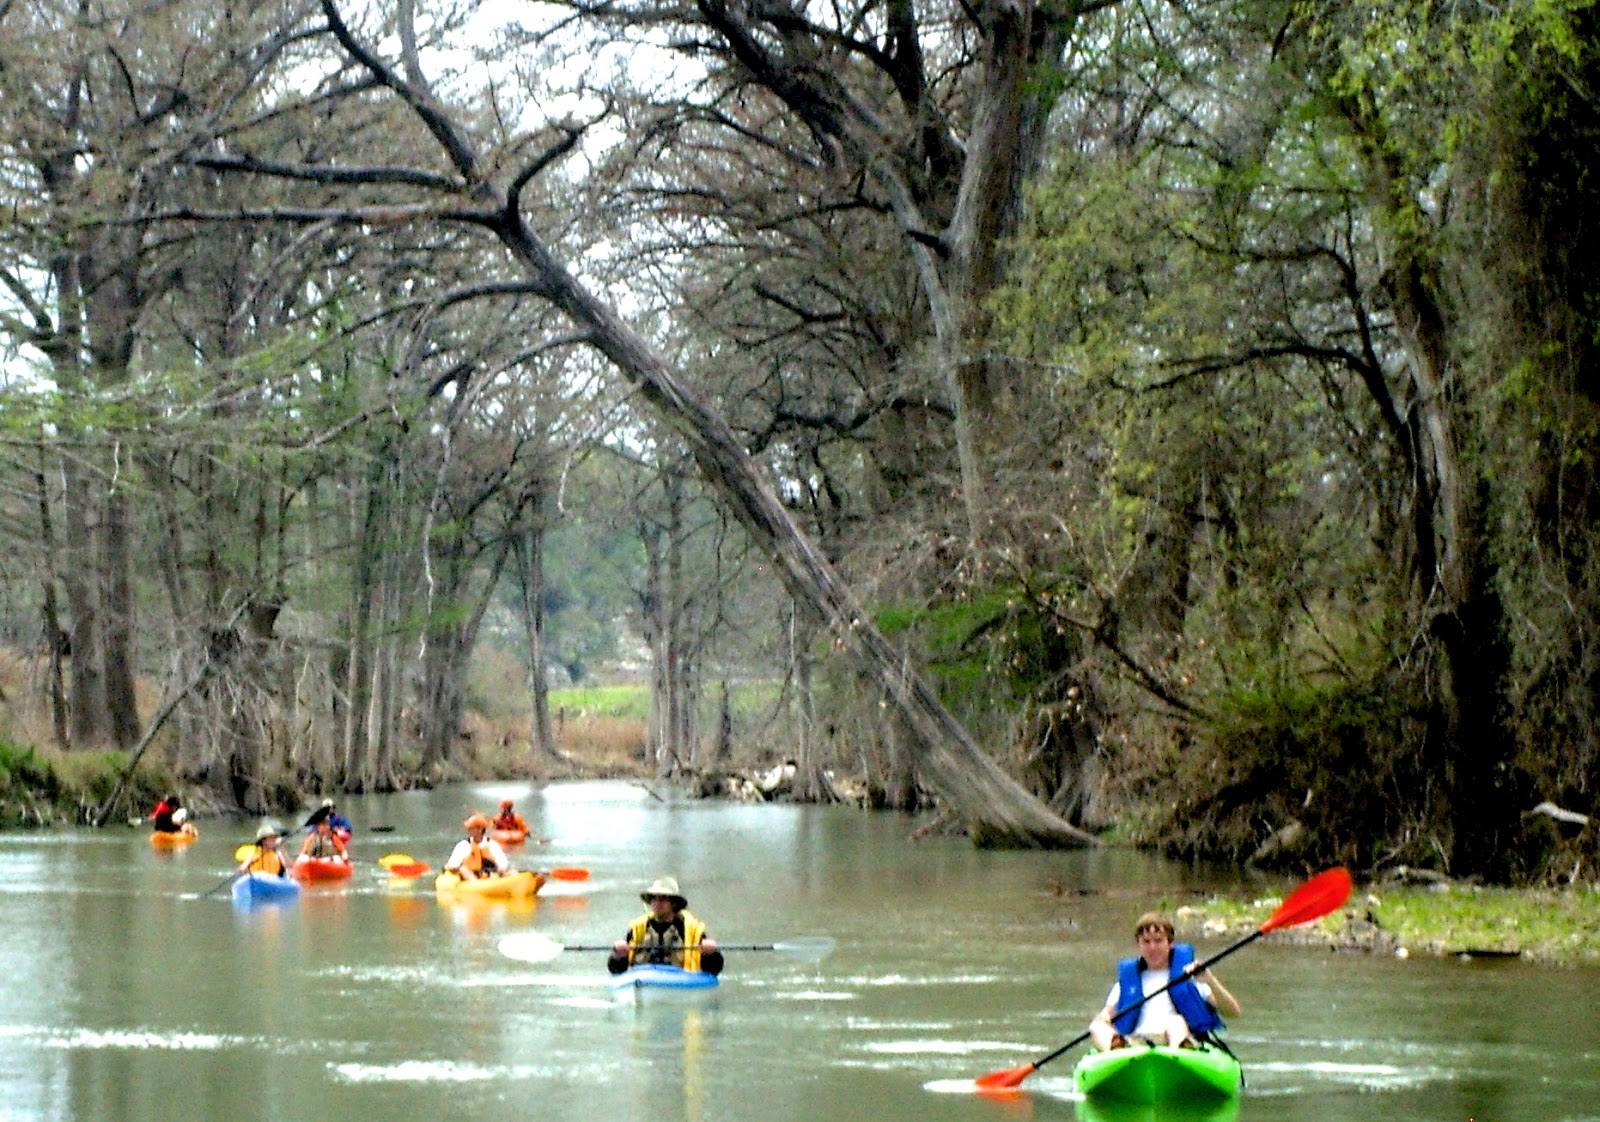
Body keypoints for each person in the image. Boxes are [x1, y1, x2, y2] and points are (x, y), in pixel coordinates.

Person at [1088, 912, 1240, 1050]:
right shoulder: (1126, 983)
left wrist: (1209, 979)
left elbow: (1233, 1012)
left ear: (1170, 943)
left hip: (1173, 1041)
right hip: (1134, 1044)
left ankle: (1179, 1051)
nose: (1152, 947)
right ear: (1139, 945)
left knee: (1176, 1021)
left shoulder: (1190, 976)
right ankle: (1116, 1050)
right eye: (1146, 942)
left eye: (1158, 941)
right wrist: (1104, 1018)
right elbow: (1106, 1015)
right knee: (1096, 1026)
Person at [608, 876, 724, 976]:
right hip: (643, 978)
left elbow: (714, 970)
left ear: (673, 903)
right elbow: (616, 969)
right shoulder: (638, 928)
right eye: (654, 899)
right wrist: (618, 956)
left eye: (663, 899)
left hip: (680, 982)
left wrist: (711, 954)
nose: (657, 903)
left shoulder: (691, 928)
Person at [442, 814, 511, 879]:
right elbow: (453, 864)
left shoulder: (492, 845)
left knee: (507, 872)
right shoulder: (463, 845)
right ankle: (475, 883)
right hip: (469, 876)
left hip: (489, 874)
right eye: (468, 828)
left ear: (480, 829)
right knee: (463, 869)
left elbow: (503, 864)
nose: (468, 830)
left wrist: (501, 870)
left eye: (471, 828)